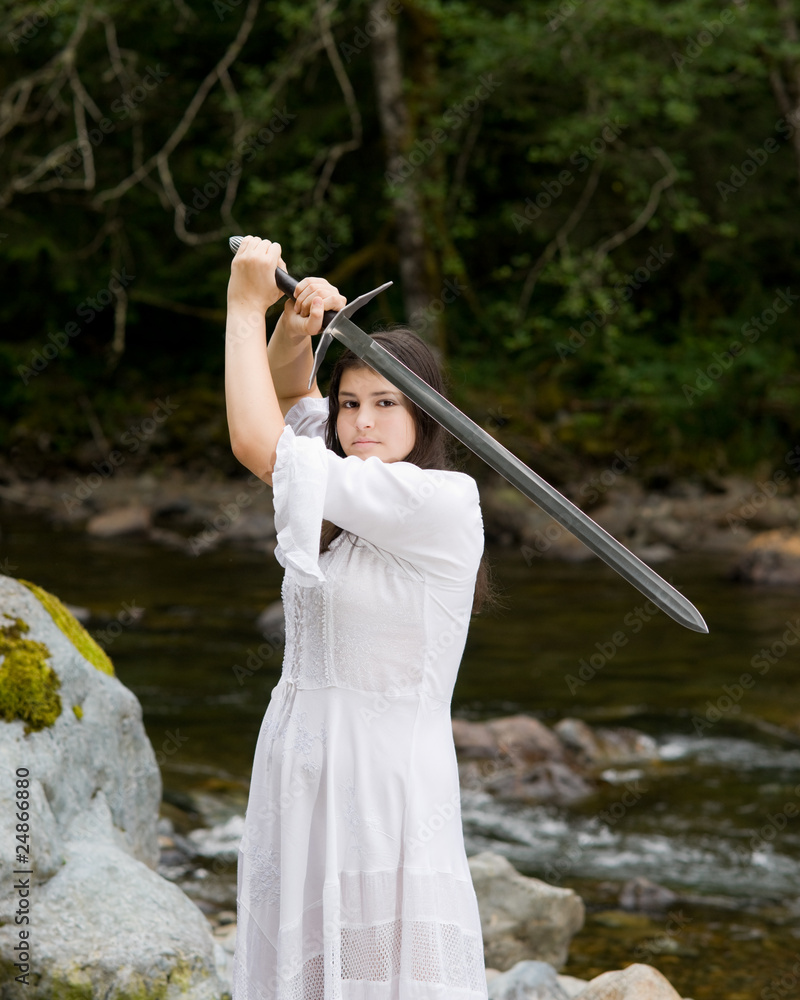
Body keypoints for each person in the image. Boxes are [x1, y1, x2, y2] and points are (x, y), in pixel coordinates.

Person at [226, 236, 491, 1000]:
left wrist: (244, 307)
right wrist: (292, 328)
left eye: (386, 404)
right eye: (350, 403)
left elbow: (256, 440)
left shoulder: (437, 503)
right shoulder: (344, 474)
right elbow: (283, 401)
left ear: (425, 414)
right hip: (299, 772)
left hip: (382, 788)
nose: (361, 423)